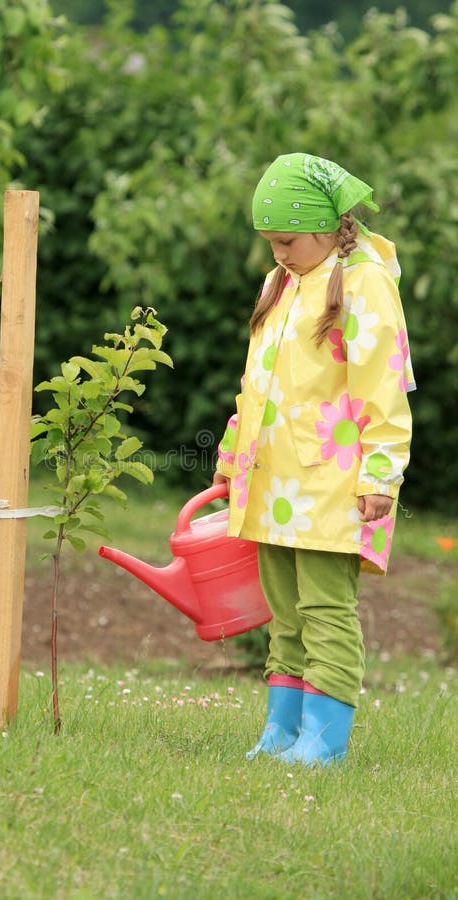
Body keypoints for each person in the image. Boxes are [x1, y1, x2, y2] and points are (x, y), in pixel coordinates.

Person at [213, 152, 415, 766]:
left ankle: (324, 743)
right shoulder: (282, 281)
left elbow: (384, 383)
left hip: (334, 480)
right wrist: (231, 457)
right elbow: (257, 381)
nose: (278, 253)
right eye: (270, 242)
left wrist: (381, 472)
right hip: (272, 475)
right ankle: (283, 730)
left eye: (287, 240)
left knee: (326, 606)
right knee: (285, 610)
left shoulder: (363, 280)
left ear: (328, 226)